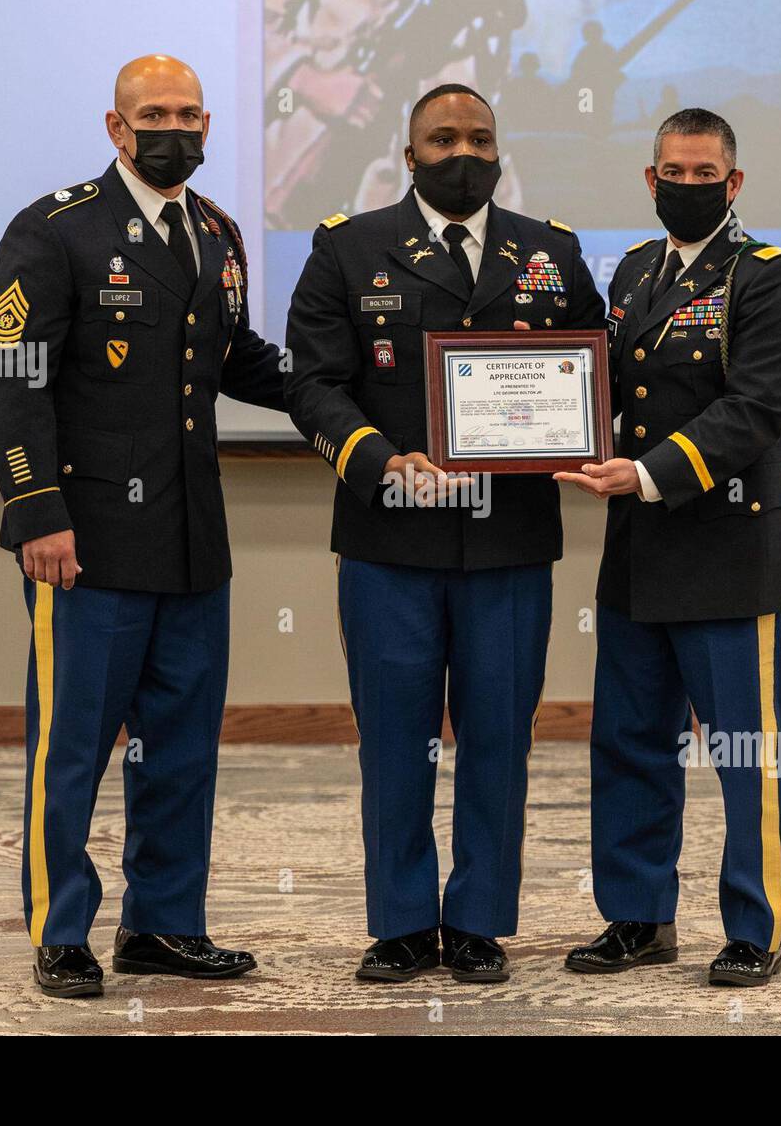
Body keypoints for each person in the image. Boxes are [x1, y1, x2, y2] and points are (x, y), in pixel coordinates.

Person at [0, 54, 285, 998]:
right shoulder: (54, 228)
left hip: (193, 537)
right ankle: (60, 930)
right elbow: (11, 379)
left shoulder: (218, 231)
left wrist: (352, 401)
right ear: (116, 129)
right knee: (71, 747)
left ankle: (164, 925)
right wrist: (36, 511)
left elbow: (236, 359)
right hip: (86, 543)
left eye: (192, 114)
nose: (176, 130)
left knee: (183, 749)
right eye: (155, 114)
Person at [284, 83, 605, 982]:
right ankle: (396, 922)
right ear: (409, 151)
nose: (462, 152)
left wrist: (582, 444)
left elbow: (591, 373)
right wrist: (379, 458)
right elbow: (314, 384)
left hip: (509, 544)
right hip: (391, 542)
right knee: (394, 738)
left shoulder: (551, 252)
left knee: (499, 737)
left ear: (499, 151)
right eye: (442, 138)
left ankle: (476, 922)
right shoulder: (348, 248)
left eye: (479, 137)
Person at [556, 108, 781, 987]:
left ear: (734, 183)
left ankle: (755, 926)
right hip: (636, 554)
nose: (687, 185)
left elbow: (754, 411)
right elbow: (595, 382)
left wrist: (648, 474)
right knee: (629, 744)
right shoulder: (634, 272)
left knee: (745, 754)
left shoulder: (773, 280)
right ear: (649, 177)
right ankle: (637, 917)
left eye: (705, 174)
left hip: (724, 553)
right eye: (673, 170)